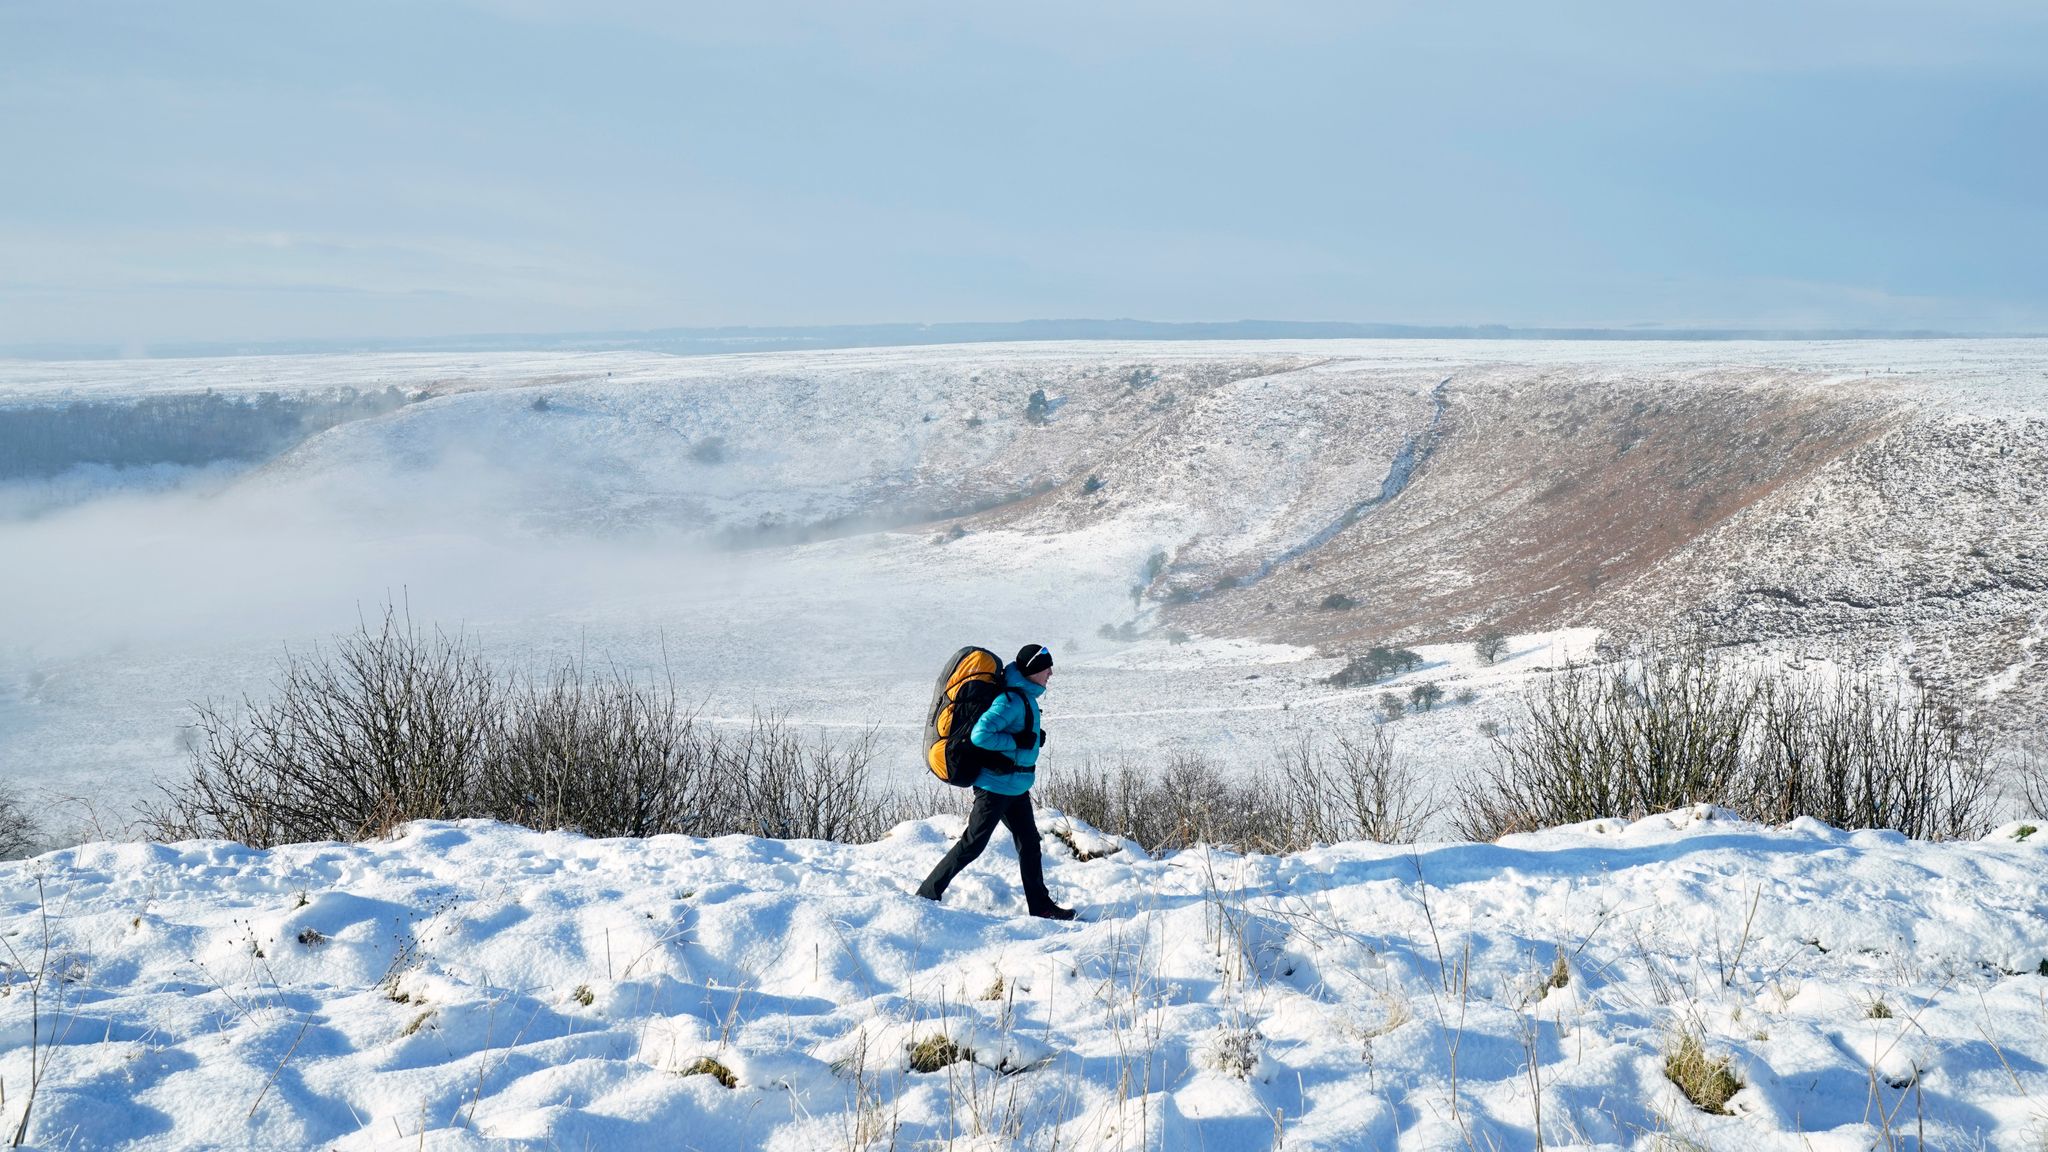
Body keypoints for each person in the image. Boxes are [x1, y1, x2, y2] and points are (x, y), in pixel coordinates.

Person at [918, 643, 1076, 920]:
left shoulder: (1025, 698)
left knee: (1029, 844)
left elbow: (1015, 733)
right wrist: (1017, 739)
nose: (1050, 672)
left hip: (1014, 785)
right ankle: (926, 894)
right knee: (973, 844)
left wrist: (1032, 737)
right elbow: (981, 735)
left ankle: (1041, 907)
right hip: (995, 787)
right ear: (1032, 671)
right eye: (1046, 668)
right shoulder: (1011, 700)